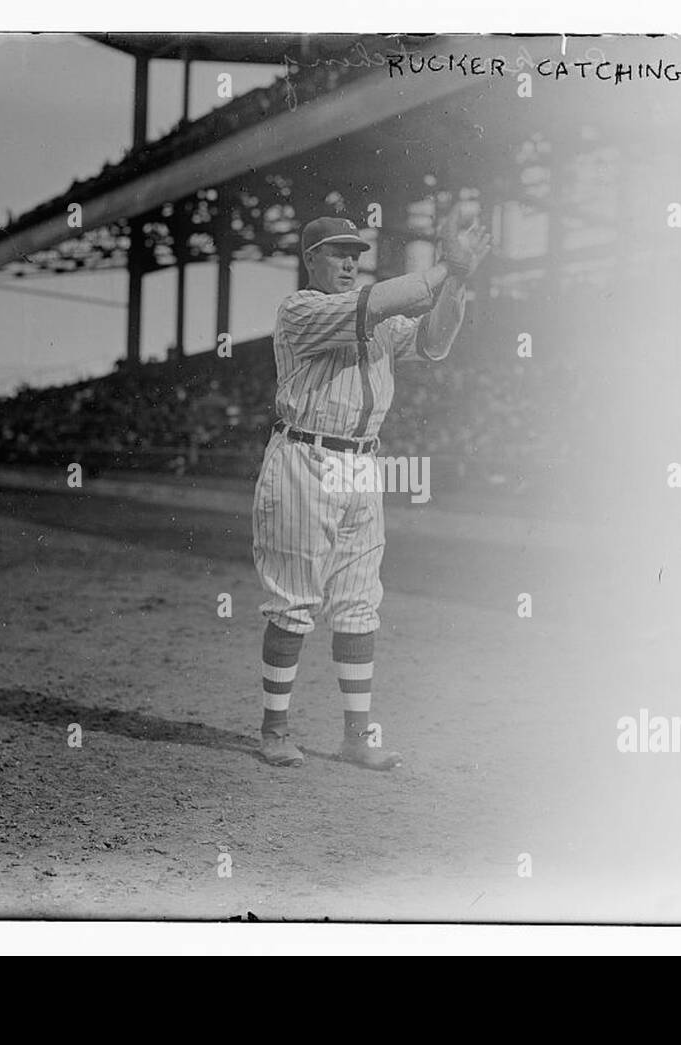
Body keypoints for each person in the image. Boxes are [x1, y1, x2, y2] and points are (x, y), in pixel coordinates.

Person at [251, 205, 491, 769]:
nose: (348, 262)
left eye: (356, 253)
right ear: (310, 259)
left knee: (359, 604)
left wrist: (457, 278)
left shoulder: (375, 319)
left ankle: (357, 737)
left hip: (361, 464)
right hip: (303, 456)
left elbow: (434, 343)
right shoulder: (301, 309)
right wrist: (444, 266)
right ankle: (274, 730)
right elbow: (377, 303)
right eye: (337, 252)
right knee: (293, 600)